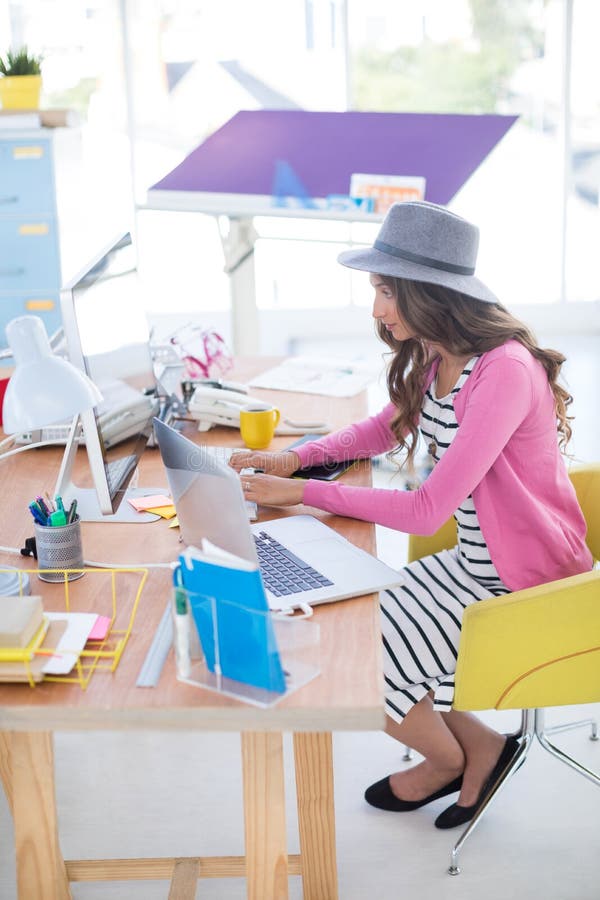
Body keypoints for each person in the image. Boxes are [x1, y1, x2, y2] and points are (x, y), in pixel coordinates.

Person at [229, 201, 592, 829]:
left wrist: (302, 495)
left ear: (429, 292)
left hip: (523, 583)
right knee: (343, 621)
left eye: (385, 291)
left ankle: (445, 761)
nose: (376, 309)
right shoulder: (440, 352)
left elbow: (426, 511)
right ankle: (482, 747)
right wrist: (296, 460)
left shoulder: (503, 370)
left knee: (353, 656)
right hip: (475, 564)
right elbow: (386, 426)